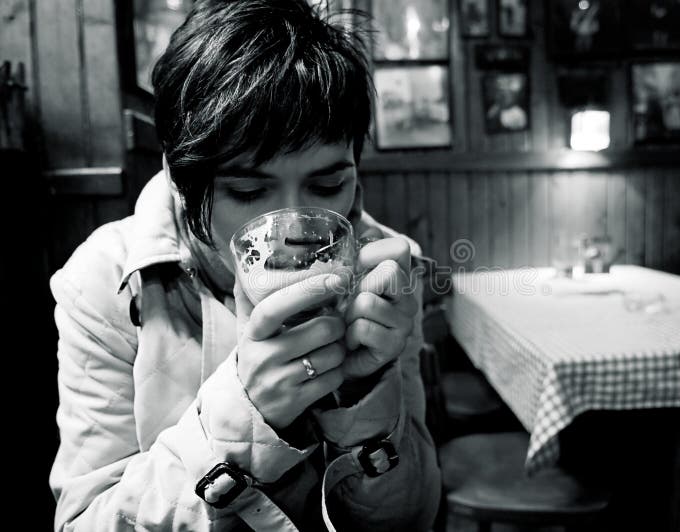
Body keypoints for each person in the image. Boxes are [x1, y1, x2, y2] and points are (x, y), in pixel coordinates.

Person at [48, 1, 441, 530]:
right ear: (182, 180)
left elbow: (412, 517)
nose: (295, 232)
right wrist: (242, 417)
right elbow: (83, 521)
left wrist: (366, 402)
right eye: (249, 190)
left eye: (327, 186)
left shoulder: (387, 271)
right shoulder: (106, 281)